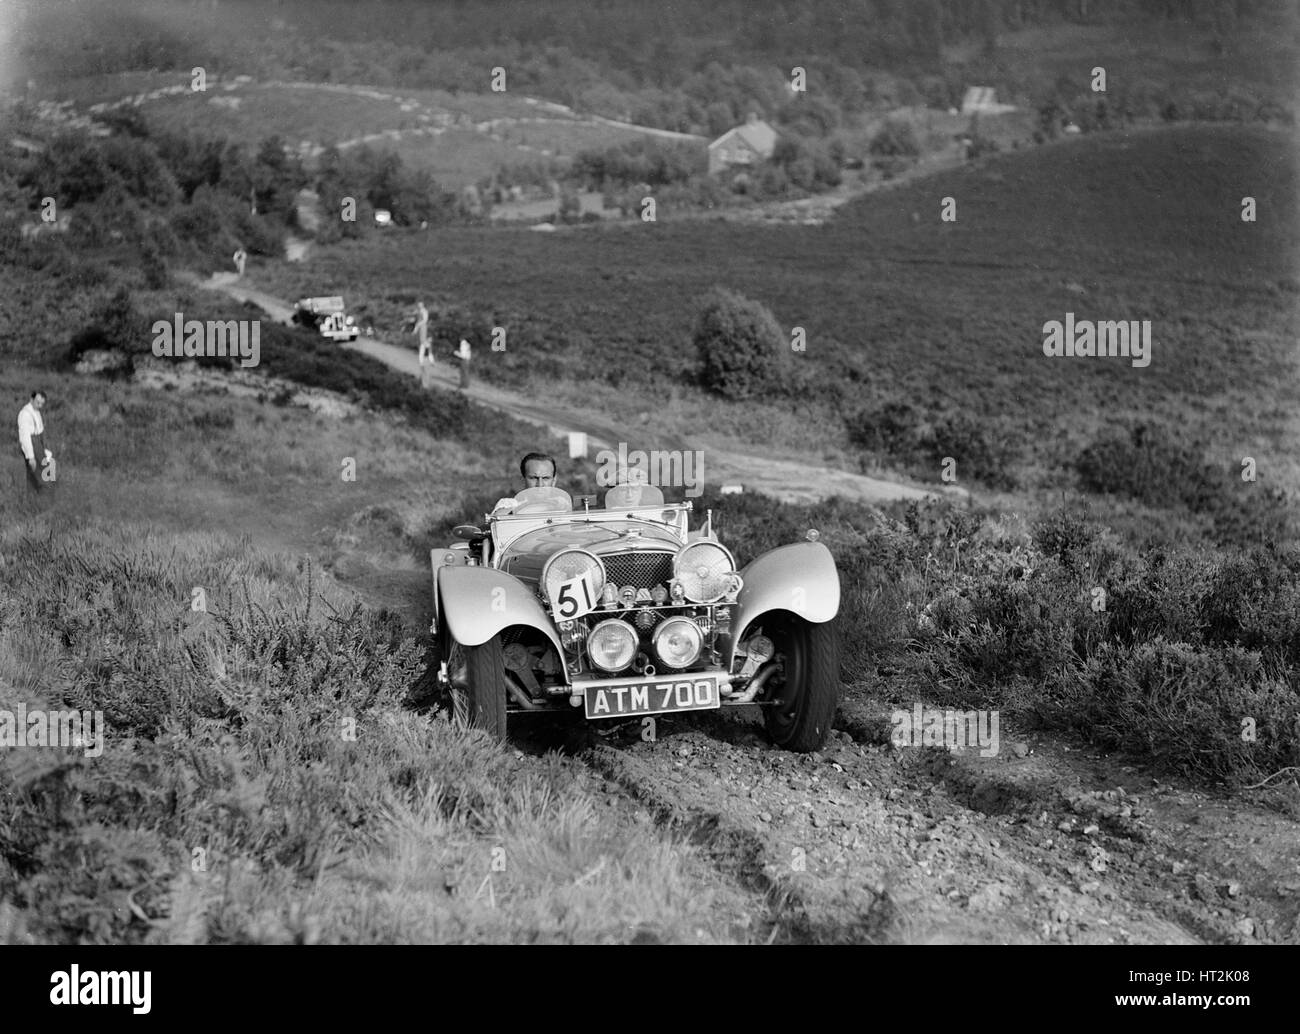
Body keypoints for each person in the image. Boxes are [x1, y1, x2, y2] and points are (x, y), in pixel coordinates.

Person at [490, 452, 557, 515]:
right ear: (523, 480)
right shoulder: (509, 504)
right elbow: (497, 518)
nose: (540, 485)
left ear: (554, 481)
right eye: (533, 478)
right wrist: (529, 505)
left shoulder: (562, 506)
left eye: (546, 478)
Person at [16, 389, 50, 496]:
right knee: (43, 473)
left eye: (42, 404)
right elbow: (25, 436)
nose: (39, 405)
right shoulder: (25, 414)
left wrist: (44, 448)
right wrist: (30, 457)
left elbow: (40, 431)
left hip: (39, 443)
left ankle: (34, 501)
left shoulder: (36, 412)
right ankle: (43, 499)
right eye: (37, 402)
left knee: (39, 472)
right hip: (32, 444)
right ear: (32, 399)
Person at [413, 301, 433, 388]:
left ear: (423, 305)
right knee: (420, 342)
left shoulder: (424, 311)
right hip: (419, 326)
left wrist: (418, 325)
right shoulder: (419, 311)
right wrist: (415, 328)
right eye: (418, 305)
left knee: (423, 342)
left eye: (420, 305)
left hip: (422, 326)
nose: (419, 306)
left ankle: (423, 353)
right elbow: (417, 319)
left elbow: (424, 320)